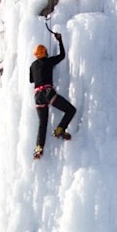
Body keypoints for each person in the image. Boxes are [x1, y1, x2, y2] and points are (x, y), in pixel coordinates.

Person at [29, 32, 76, 160]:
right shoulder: (48, 61)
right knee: (71, 110)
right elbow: (62, 55)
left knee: (42, 122)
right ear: (44, 53)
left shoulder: (32, 65)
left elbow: (31, 80)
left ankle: (39, 147)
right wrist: (60, 40)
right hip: (48, 92)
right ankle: (60, 129)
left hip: (38, 96)